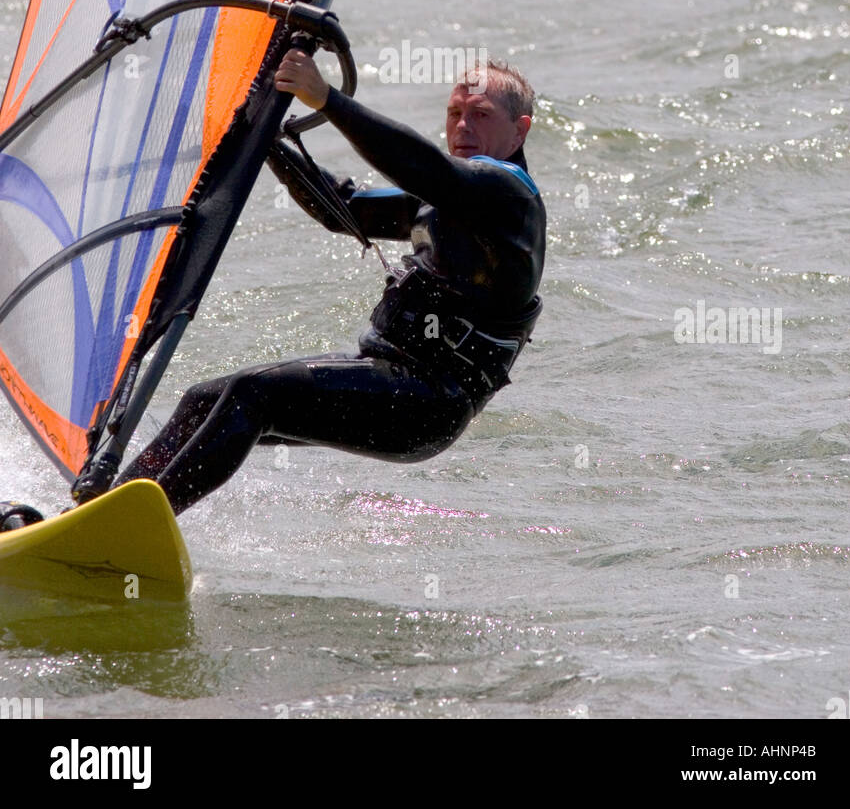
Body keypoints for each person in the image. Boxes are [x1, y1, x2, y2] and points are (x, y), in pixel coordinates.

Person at [112, 53, 545, 515]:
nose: (463, 127)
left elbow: (426, 168)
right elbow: (343, 207)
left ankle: (130, 525)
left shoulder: (510, 198)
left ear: (520, 130)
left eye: (480, 115)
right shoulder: (447, 198)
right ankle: (99, 510)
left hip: (428, 402)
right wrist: (262, 136)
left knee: (252, 394)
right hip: (387, 372)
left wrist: (327, 100)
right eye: (455, 113)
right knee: (205, 401)